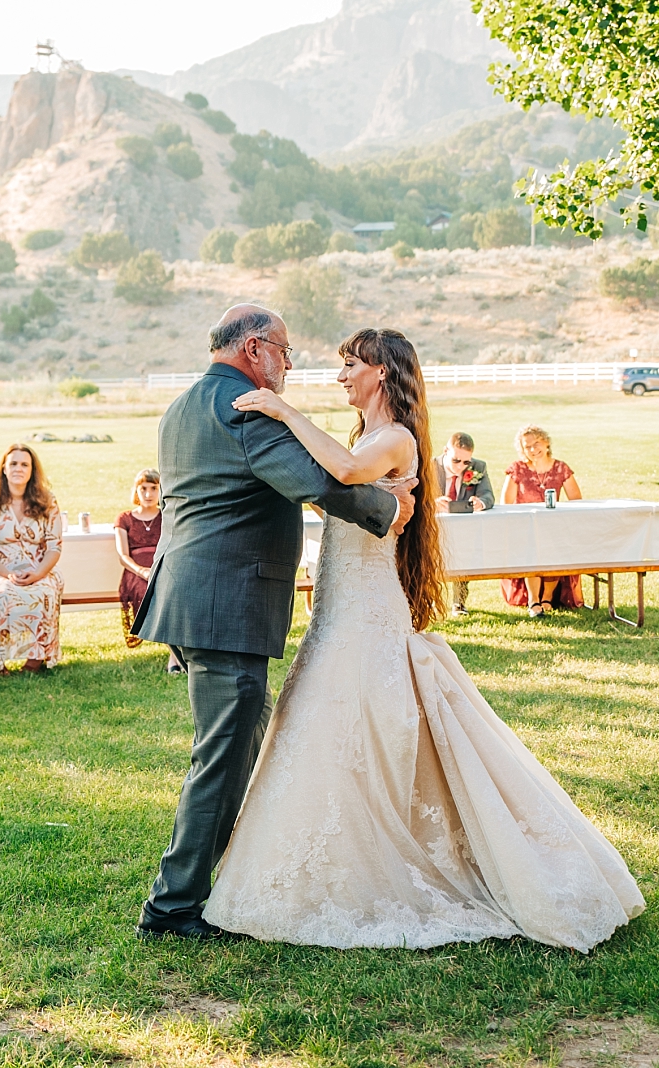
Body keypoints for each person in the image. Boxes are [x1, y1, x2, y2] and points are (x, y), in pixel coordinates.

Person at [209, 327, 644, 951]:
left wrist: (281, 408)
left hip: (365, 612)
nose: (341, 376)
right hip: (336, 609)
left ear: (381, 372)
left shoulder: (391, 440)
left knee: (353, 722)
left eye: (350, 365)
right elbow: (337, 486)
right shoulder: (366, 435)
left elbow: (349, 470)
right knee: (324, 726)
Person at [130, 304, 413, 942]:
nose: (288, 365)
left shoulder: (183, 404)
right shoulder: (246, 405)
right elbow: (310, 479)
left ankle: (191, 894)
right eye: (285, 352)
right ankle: (173, 909)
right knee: (224, 758)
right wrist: (386, 506)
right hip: (226, 603)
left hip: (192, 596)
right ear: (255, 348)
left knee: (222, 750)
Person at [0, 444, 63, 675]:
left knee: (45, 592)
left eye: (25, 464)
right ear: (4, 468)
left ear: (32, 470)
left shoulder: (47, 501)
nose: (18, 469)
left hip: (38, 566)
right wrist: (7, 574)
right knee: (1, 595)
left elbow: (54, 546)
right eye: (13, 463)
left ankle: (35, 659)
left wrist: (39, 573)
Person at [501, 424, 584, 616]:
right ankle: (533, 601)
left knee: (555, 547)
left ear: (546, 443)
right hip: (525, 525)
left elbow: (576, 500)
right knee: (532, 549)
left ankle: (547, 597)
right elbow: (506, 502)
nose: (532, 449)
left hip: (555, 525)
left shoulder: (561, 468)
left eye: (536, 443)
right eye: (527, 446)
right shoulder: (517, 469)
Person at [115, 468, 183, 674]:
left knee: (172, 592)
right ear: (136, 490)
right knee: (148, 592)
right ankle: (174, 650)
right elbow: (123, 556)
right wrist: (142, 571)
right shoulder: (124, 518)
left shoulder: (167, 516)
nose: (148, 494)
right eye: (143, 488)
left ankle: (174, 657)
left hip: (164, 567)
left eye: (153, 488)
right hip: (136, 572)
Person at [434, 431, 494, 617]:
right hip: (434, 524)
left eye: (466, 462)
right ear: (446, 451)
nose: (461, 466)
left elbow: (488, 495)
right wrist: (432, 502)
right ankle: (431, 601)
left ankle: (459, 603)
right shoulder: (429, 467)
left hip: (463, 527)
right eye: (456, 461)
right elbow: (414, 494)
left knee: (463, 554)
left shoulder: (478, 467)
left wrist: (480, 503)